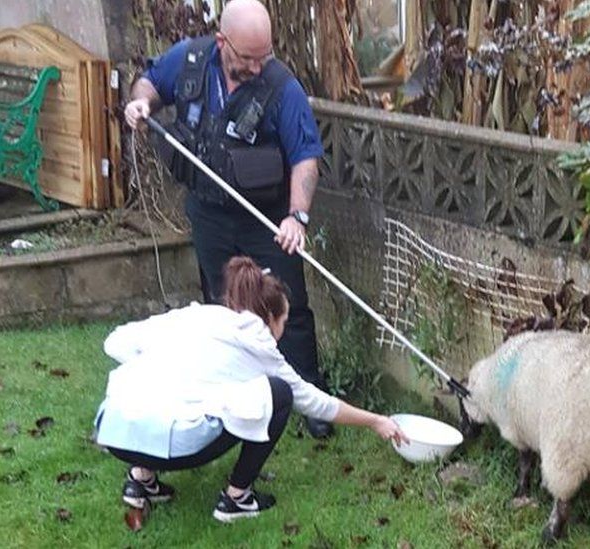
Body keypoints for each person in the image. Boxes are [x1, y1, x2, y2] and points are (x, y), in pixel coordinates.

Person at [123, 0, 333, 438]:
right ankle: (233, 395)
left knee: (286, 306)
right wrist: (140, 105)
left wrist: (297, 216)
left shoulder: (282, 87)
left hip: (267, 216)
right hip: (209, 211)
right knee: (223, 306)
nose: (257, 68)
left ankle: (311, 400)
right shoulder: (190, 60)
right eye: (247, 59)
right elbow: (149, 83)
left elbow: (306, 157)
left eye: (264, 57)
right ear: (222, 43)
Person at [94, 256, 408, 522]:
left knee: (167, 388)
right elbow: (315, 403)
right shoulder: (260, 346)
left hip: (114, 431)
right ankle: (237, 498)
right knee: (279, 394)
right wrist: (376, 420)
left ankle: (141, 480)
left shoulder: (198, 315)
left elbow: (116, 343)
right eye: (283, 320)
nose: (282, 329)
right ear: (269, 318)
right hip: (178, 448)